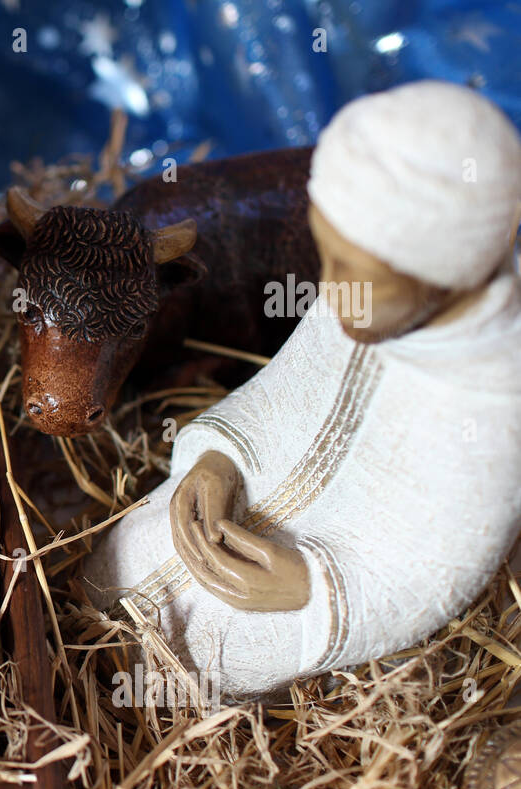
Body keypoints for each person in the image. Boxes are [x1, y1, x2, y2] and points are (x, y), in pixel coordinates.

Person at [84, 81, 521, 701]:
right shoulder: (363, 293)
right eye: (329, 257)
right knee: (126, 555)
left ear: (451, 277)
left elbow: (440, 567)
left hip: (330, 591)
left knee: (208, 652)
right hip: (245, 504)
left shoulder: (500, 404)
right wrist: (218, 459)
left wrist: (313, 590)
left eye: (354, 271)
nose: (333, 288)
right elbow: (281, 392)